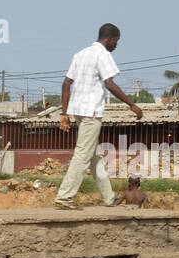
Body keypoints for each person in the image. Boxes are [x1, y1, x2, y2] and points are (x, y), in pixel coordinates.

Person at [55, 23, 143, 209]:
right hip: (91, 113)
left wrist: (64, 113)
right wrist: (132, 105)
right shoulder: (103, 55)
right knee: (82, 155)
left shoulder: (80, 54)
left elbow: (66, 83)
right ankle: (64, 196)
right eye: (116, 41)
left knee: (94, 157)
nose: (116, 45)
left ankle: (109, 197)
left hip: (78, 111)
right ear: (110, 38)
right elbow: (109, 83)